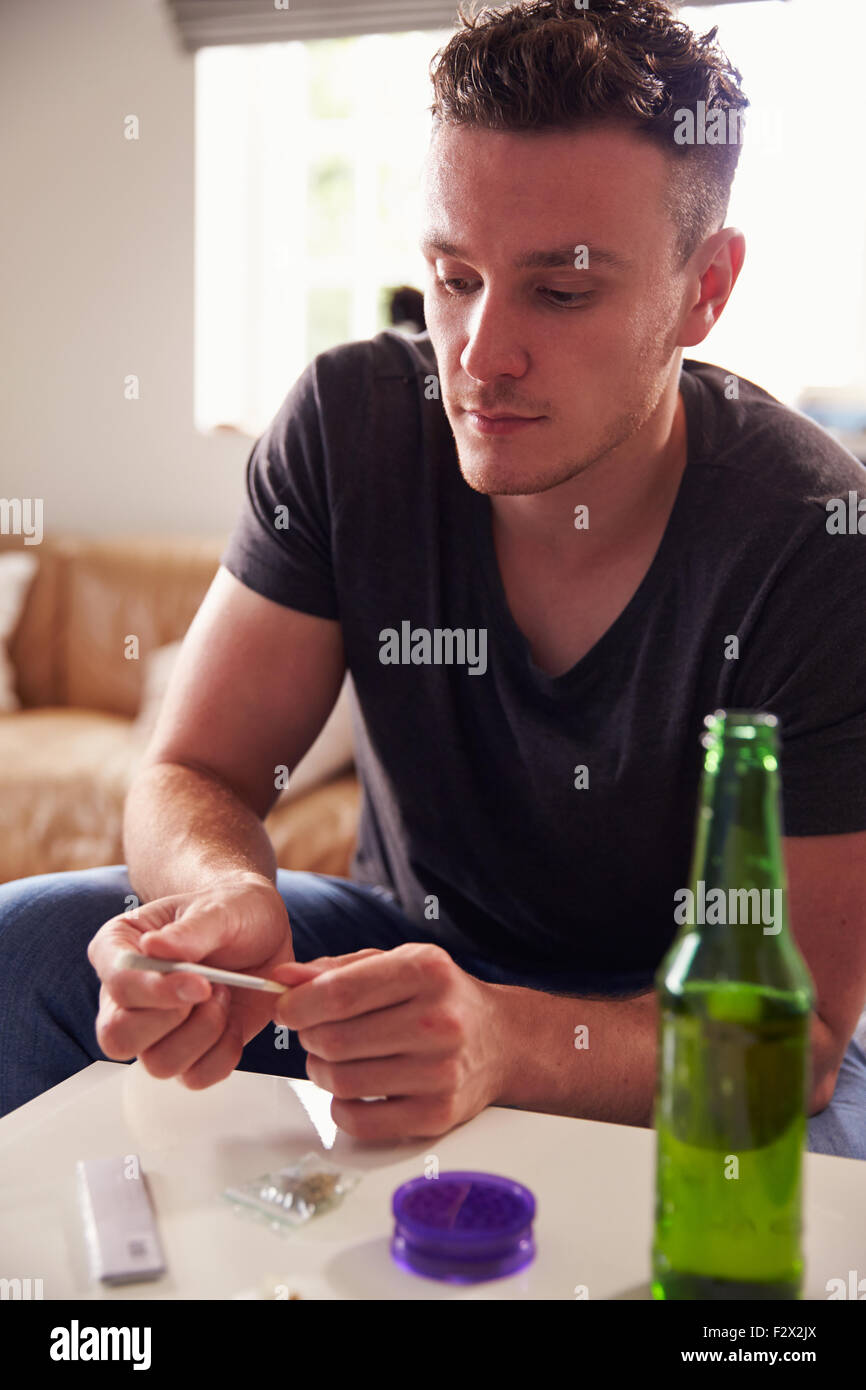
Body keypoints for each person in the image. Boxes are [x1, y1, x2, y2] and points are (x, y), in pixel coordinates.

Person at [2, 0, 865, 1159]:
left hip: (682, 1008)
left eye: (559, 293)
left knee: (809, 1161)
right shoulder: (351, 424)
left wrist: (509, 1041)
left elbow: (799, 1034)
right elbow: (197, 767)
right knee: (30, 945)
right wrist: (222, 900)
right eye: (451, 277)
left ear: (704, 288)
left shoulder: (817, 533)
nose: (479, 353)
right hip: (400, 954)